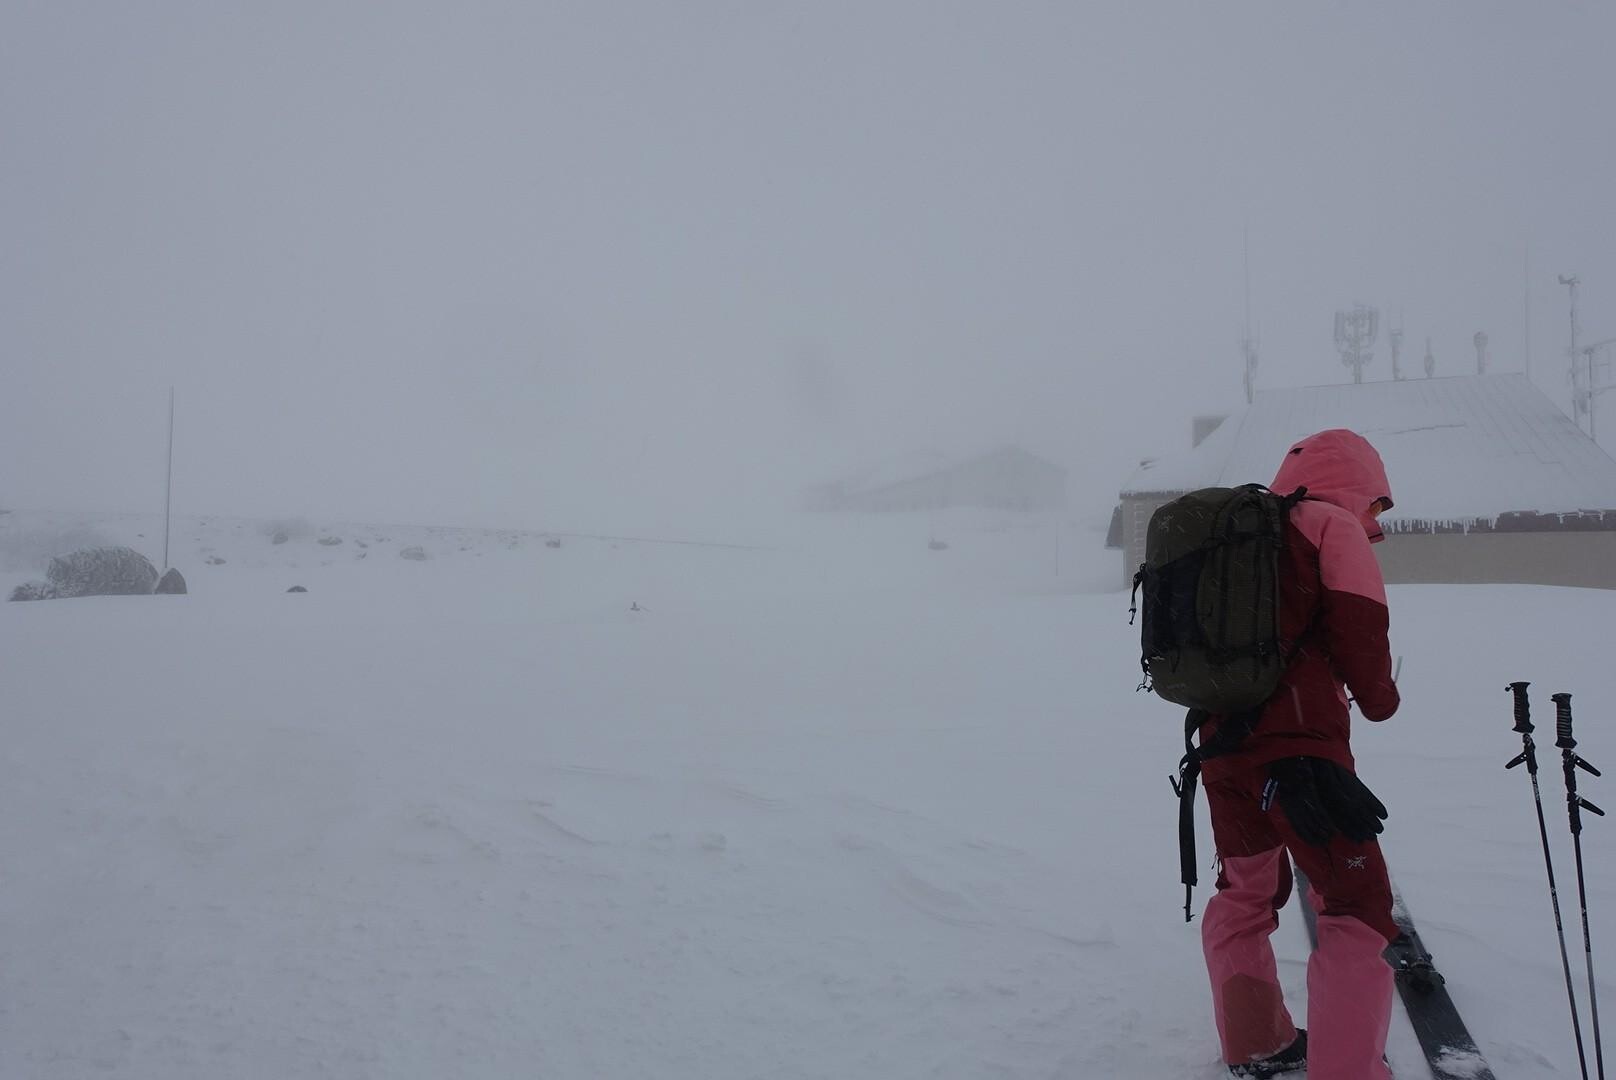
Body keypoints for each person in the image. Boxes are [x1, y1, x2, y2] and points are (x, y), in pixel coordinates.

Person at [1196, 429, 1402, 1080]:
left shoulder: (1237, 534)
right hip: (1302, 758)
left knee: (1244, 894)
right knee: (1356, 907)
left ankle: (1255, 1042)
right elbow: (1366, 655)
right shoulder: (1327, 527)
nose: (1375, 520)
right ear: (1355, 483)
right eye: (1377, 503)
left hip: (1221, 749)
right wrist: (1381, 697)